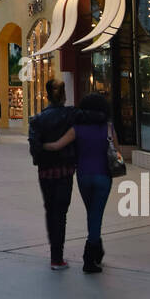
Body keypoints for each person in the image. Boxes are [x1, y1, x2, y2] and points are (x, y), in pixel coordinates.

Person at [29, 78, 106, 269]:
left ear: (47, 95)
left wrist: (46, 149)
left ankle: (56, 256)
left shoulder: (38, 120)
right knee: (61, 213)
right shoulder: (72, 114)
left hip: (46, 172)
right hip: (65, 171)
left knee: (50, 210)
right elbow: (95, 116)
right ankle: (58, 256)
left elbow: (35, 149)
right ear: (64, 96)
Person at [45, 93, 118, 273]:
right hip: (103, 176)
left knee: (92, 212)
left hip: (83, 176)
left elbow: (57, 145)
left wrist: (40, 144)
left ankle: (97, 249)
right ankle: (89, 257)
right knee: (96, 214)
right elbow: (117, 150)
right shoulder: (108, 127)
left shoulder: (77, 128)